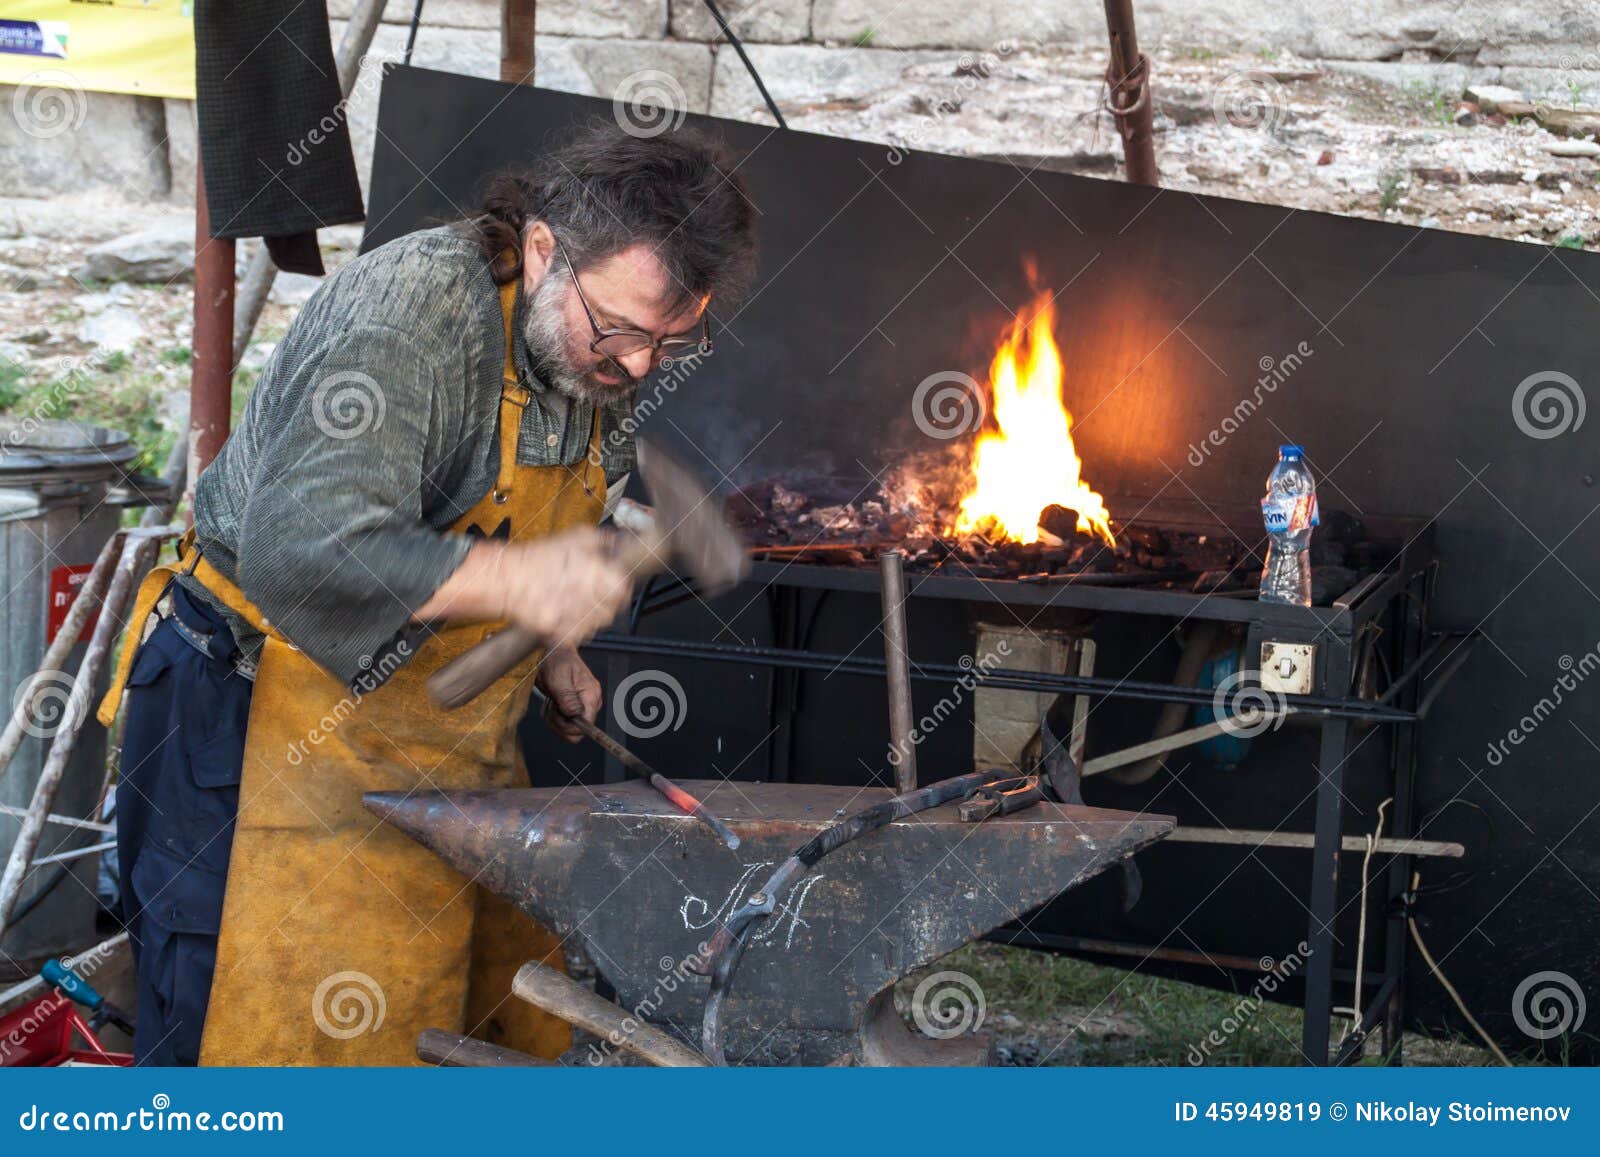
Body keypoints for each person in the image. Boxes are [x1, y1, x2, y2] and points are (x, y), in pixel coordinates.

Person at [97, 123, 757, 1065]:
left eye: (672, 340)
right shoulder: (411, 317)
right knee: (264, 1047)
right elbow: (306, 547)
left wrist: (554, 649)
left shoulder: (588, 354)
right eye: (620, 329)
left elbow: (551, 501)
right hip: (259, 721)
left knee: (470, 1026)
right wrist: (524, 580)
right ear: (542, 250)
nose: (641, 366)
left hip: (446, 754)